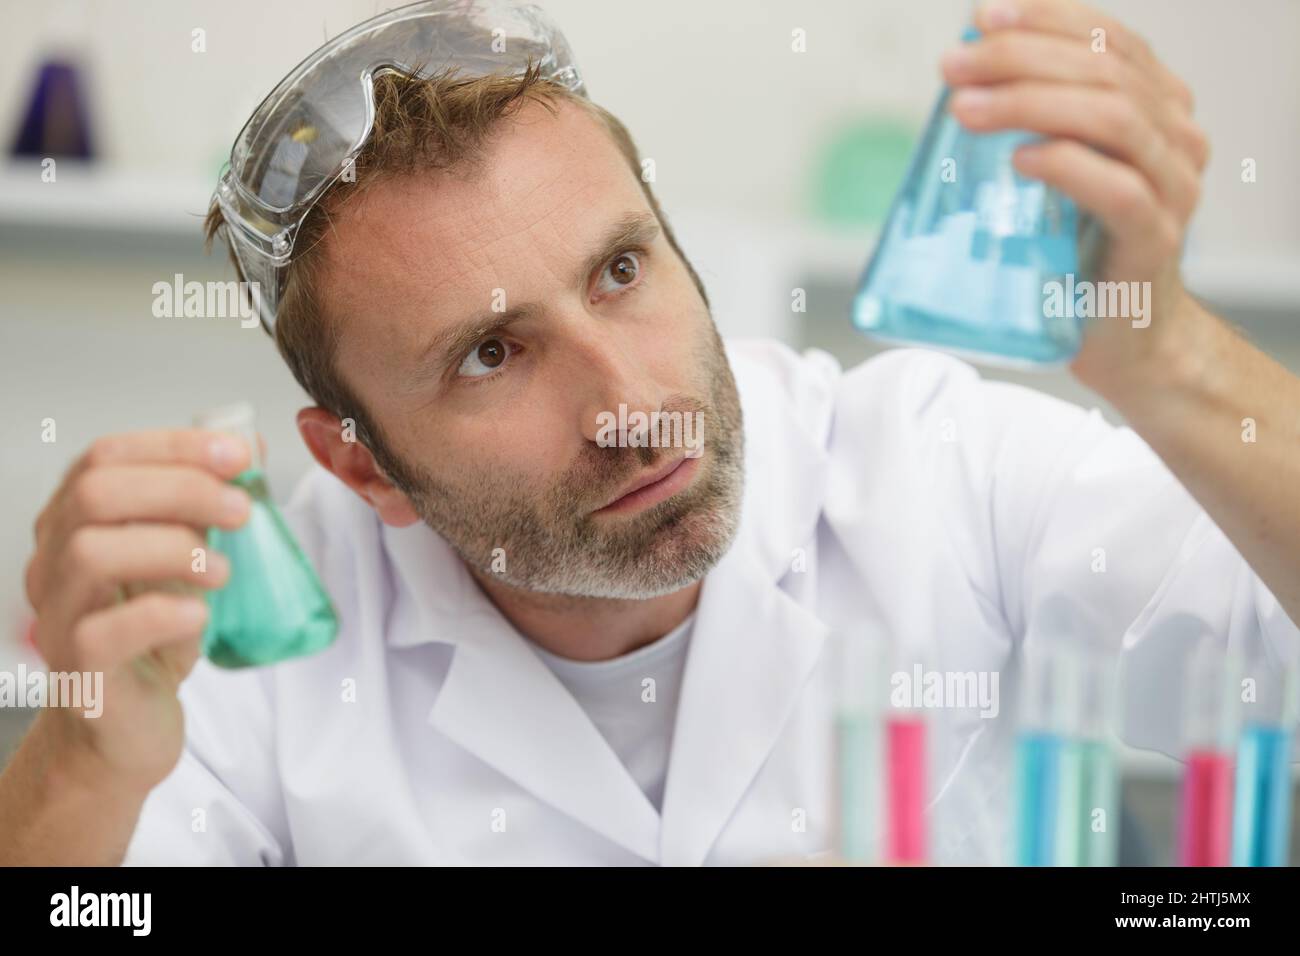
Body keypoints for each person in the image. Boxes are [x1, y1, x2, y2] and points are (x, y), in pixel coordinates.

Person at [2, 0, 1297, 866]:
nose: (629, 401)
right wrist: (74, 766)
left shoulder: (934, 466)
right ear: (358, 463)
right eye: (492, 353)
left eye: (622, 271)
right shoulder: (258, 638)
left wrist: (1171, 356)